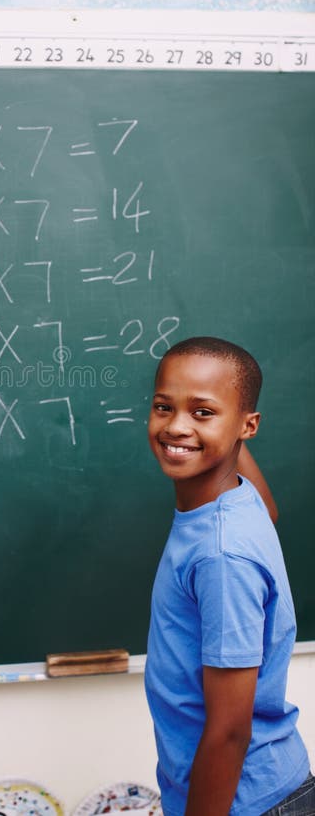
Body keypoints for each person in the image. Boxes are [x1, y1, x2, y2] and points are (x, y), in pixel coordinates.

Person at [144, 336, 313, 816]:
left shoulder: (221, 557)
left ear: (249, 426)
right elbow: (271, 508)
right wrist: (221, 424)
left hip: (248, 801)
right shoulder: (244, 499)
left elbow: (230, 729)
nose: (176, 426)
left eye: (202, 412)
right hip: (261, 787)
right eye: (163, 406)